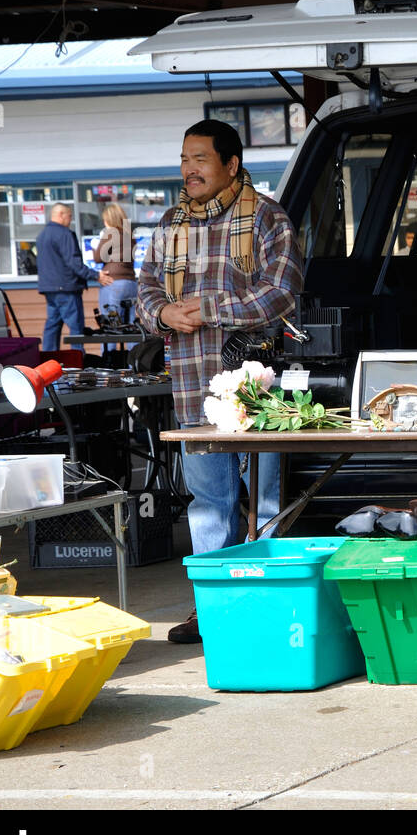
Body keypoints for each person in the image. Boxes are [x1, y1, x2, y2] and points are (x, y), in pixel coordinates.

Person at [137, 119, 305, 644]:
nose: (189, 169)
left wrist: (206, 310)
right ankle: (213, 610)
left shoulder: (268, 218)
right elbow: (143, 292)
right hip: (191, 385)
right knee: (208, 504)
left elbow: (281, 294)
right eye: (184, 159)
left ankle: (271, 605)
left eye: (201, 159)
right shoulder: (170, 222)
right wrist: (165, 315)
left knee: (265, 503)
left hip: (258, 388)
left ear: (231, 164)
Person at [36, 203, 112, 351]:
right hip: (67, 288)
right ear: (61, 215)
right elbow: (74, 262)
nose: (70, 219)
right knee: (76, 328)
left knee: (52, 326)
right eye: (69, 216)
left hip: (49, 288)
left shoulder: (42, 235)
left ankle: (48, 361)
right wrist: (95, 275)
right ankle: (77, 362)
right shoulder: (64, 234)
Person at [94, 202, 138, 328]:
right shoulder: (130, 236)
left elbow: (98, 258)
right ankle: (133, 349)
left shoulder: (110, 233)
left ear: (108, 219)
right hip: (131, 283)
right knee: (131, 326)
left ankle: (110, 349)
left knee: (110, 326)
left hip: (113, 283)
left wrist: (94, 247)